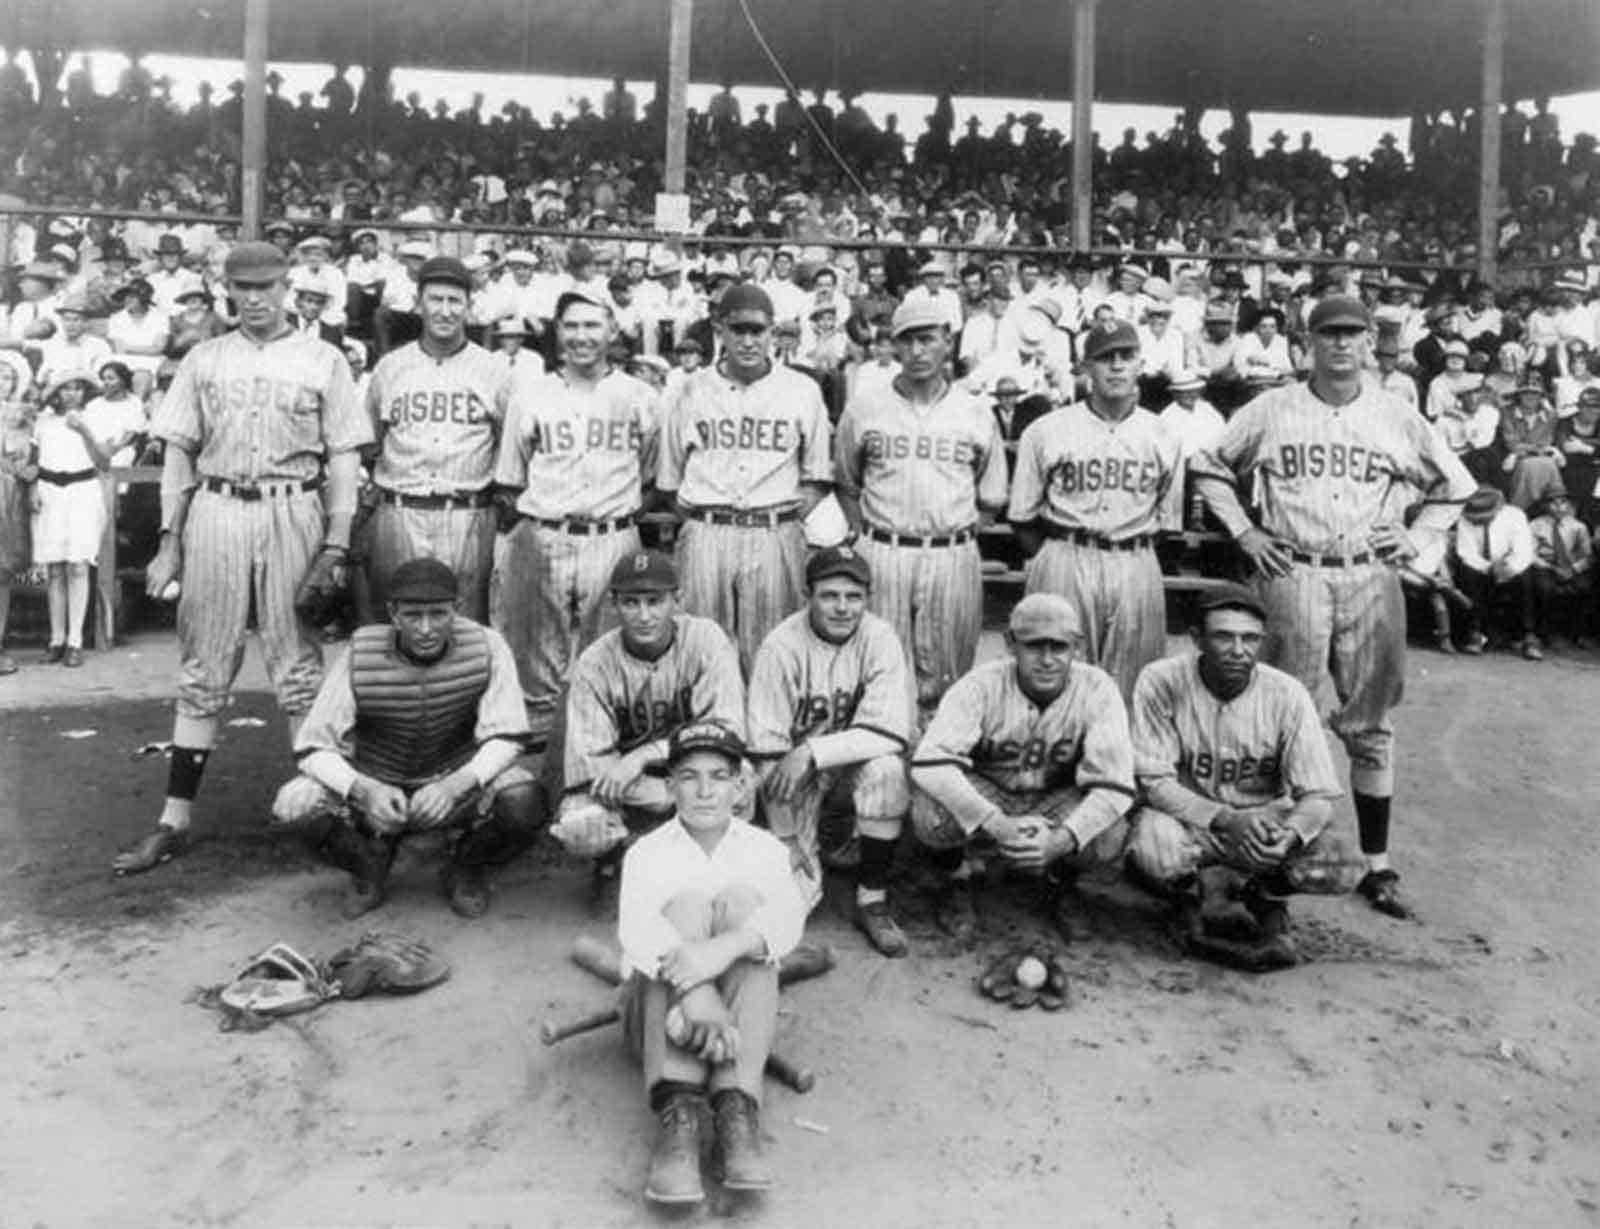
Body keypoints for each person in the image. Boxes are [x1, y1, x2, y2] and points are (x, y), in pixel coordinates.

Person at [1190, 295, 1476, 919]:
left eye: (1353, 333)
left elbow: (1456, 487)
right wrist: (1246, 532)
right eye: (1329, 334)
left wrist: (1418, 537)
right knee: (1281, 717)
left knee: (1371, 726)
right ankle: (1273, 856)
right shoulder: (1271, 408)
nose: (1342, 344)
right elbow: (1208, 464)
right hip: (1293, 572)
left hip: (1371, 578)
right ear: (1306, 342)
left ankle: (1377, 864)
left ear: (1370, 341)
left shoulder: (1397, 416)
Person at [116, 241, 370, 876]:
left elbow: (344, 456)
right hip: (219, 508)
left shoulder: (323, 358)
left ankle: (321, 816)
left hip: (294, 508)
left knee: (297, 665)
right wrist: (170, 540)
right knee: (205, 663)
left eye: (266, 286)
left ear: (288, 286)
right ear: (228, 290)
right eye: (243, 288)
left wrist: (336, 541)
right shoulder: (205, 357)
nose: (255, 299)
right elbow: (177, 451)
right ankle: (173, 821)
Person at [270, 558, 546, 918]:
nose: (427, 628)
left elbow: (508, 736)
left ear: (457, 610)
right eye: (413, 615)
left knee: (524, 801)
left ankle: (466, 864)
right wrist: (364, 790)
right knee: (294, 806)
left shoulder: (487, 645)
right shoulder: (362, 651)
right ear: (393, 614)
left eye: (438, 614)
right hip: (378, 782)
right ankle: (368, 863)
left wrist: (455, 786)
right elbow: (312, 747)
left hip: (455, 781)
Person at [618, 720, 804, 1205]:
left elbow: (786, 923)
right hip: (663, 1017)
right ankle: (677, 1113)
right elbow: (638, 934)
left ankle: (735, 1107)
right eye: (689, 777)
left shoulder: (763, 849)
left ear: (741, 786)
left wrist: (726, 947)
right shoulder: (647, 853)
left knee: (748, 910)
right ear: (669, 785)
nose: (704, 792)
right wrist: (698, 992)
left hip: (738, 1018)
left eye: (719, 776)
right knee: (684, 908)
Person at [1126, 584, 1358, 971]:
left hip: (1263, 826)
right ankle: (1188, 898)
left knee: (1344, 862)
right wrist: (1225, 819)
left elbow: (1318, 794)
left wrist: (1290, 834)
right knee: (1151, 847)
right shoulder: (1162, 680)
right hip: (1192, 821)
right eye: (1224, 637)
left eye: (1250, 638)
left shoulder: (1287, 693)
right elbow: (1152, 782)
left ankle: (1264, 895)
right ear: (1197, 639)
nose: (1239, 650)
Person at [908, 593, 1135, 942]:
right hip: (991, 793)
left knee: (1110, 831)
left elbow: (1116, 786)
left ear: (1077, 646)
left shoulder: (1097, 688)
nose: (1046, 660)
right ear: (1011, 643)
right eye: (1034, 646)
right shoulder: (980, 685)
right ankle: (958, 879)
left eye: (1058, 647)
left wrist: (1059, 841)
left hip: (1055, 797)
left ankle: (1060, 885)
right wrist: (997, 824)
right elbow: (929, 764)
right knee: (930, 811)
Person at [493, 285, 659, 746]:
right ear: (557, 332)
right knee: (535, 660)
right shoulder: (532, 395)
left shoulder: (640, 396)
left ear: (611, 330)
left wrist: (615, 517)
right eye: (571, 326)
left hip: (612, 536)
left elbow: (650, 477)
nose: (582, 336)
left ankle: (599, 764)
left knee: (609, 657)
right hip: (544, 533)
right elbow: (511, 479)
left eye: (592, 325)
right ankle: (538, 773)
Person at [833, 298, 1008, 717]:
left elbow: (991, 496)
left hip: (951, 552)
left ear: (947, 342)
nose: (917, 352)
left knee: (950, 671)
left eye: (927, 339)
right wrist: (869, 536)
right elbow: (846, 483)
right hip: (884, 549)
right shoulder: (865, 406)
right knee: (882, 669)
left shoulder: (975, 410)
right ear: (893, 346)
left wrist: (953, 533)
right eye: (906, 341)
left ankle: (937, 761)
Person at [747, 545, 913, 954]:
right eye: (830, 595)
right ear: (808, 596)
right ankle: (822, 846)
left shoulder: (880, 637)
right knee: (792, 902)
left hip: (839, 764)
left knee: (887, 771)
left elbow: (891, 731)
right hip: (791, 779)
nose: (843, 608)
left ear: (867, 598)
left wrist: (811, 751)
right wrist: (784, 837)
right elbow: (768, 756)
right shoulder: (780, 647)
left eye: (853, 596)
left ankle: (871, 898)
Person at [657, 284, 831, 674]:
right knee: (700, 649)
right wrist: (704, 521)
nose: (749, 341)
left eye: (758, 331)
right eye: (738, 331)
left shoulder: (802, 390)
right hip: (707, 528)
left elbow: (817, 478)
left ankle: (765, 732)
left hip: (774, 531)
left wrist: (780, 519)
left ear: (772, 333)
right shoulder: (689, 389)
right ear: (720, 332)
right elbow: (669, 482)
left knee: (773, 651)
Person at [1008, 319, 1183, 701]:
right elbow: (1022, 518)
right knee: (1056, 681)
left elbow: (1169, 526)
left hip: (1135, 559)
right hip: (1066, 555)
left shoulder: (1164, 434)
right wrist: (1056, 556)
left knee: (1134, 686)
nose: (1116, 366)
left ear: (1141, 363)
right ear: (1085, 368)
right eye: (1104, 358)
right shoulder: (1046, 429)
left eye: (1126, 355)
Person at [553, 551, 744, 888]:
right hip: (624, 782)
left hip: (688, 768)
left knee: (741, 783)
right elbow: (591, 765)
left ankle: (709, 870)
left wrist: (646, 759)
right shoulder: (594, 662)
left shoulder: (706, 640)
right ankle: (615, 860)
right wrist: (645, 787)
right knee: (579, 825)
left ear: (678, 600)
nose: (644, 615)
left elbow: (726, 734)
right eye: (631, 602)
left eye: (655, 601)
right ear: (613, 604)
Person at [359, 256, 509, 622]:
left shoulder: (495, 370)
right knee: (396, 625)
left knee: (467, 628)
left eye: (455, 301)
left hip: (469, 514)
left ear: (469, 307)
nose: (445, 311)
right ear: (418, 303)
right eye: (436, 299)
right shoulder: (390, 367)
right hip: (399, 511)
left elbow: (510, 449)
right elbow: (369, 445)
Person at [28, 374, 131, 667]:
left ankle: (75, 641)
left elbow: (104, 461)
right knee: (55, 569)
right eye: (65, 388)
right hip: (50, 492)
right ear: (56, 393)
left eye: (77, 388)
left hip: (83, 491)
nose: (71, 394)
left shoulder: (95, 417)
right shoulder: (44, 422)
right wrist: (34, 488)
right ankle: (56, 639)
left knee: (78, 566)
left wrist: (84, 430)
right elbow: (35, 459)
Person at [1452, 484, 1540, 659]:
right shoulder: (1465, 518)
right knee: (1468, 575)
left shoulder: (1515, 515)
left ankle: (1528, 636)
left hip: (1511, 564)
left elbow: (1523, 551)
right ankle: (1475, 632)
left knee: (1526, 579)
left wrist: (1509, 569)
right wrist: (1488, 568)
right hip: (1481, 565)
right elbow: (1466, 552)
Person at [0, 357, 34, 676]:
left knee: (2, 572)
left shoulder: (20, 415)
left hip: (6, 495)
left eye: (8, 376)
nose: (2, 380)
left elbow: (19, 460)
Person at [1528, 489, 1592, 646]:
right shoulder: (1536, 525)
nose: (1558, 507)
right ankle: (1545, 632)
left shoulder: (1578, 527)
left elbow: (1587, 556)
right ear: (1545, 505)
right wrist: (1550, 568)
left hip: (1571, 568)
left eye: (1563, 503)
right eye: (1553, 503)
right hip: (1546, 567)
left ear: (1569, 505)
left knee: (1585, 588)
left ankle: (1578, 633)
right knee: (1545, 588)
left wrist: (1574, 569)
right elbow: (1530, 553)